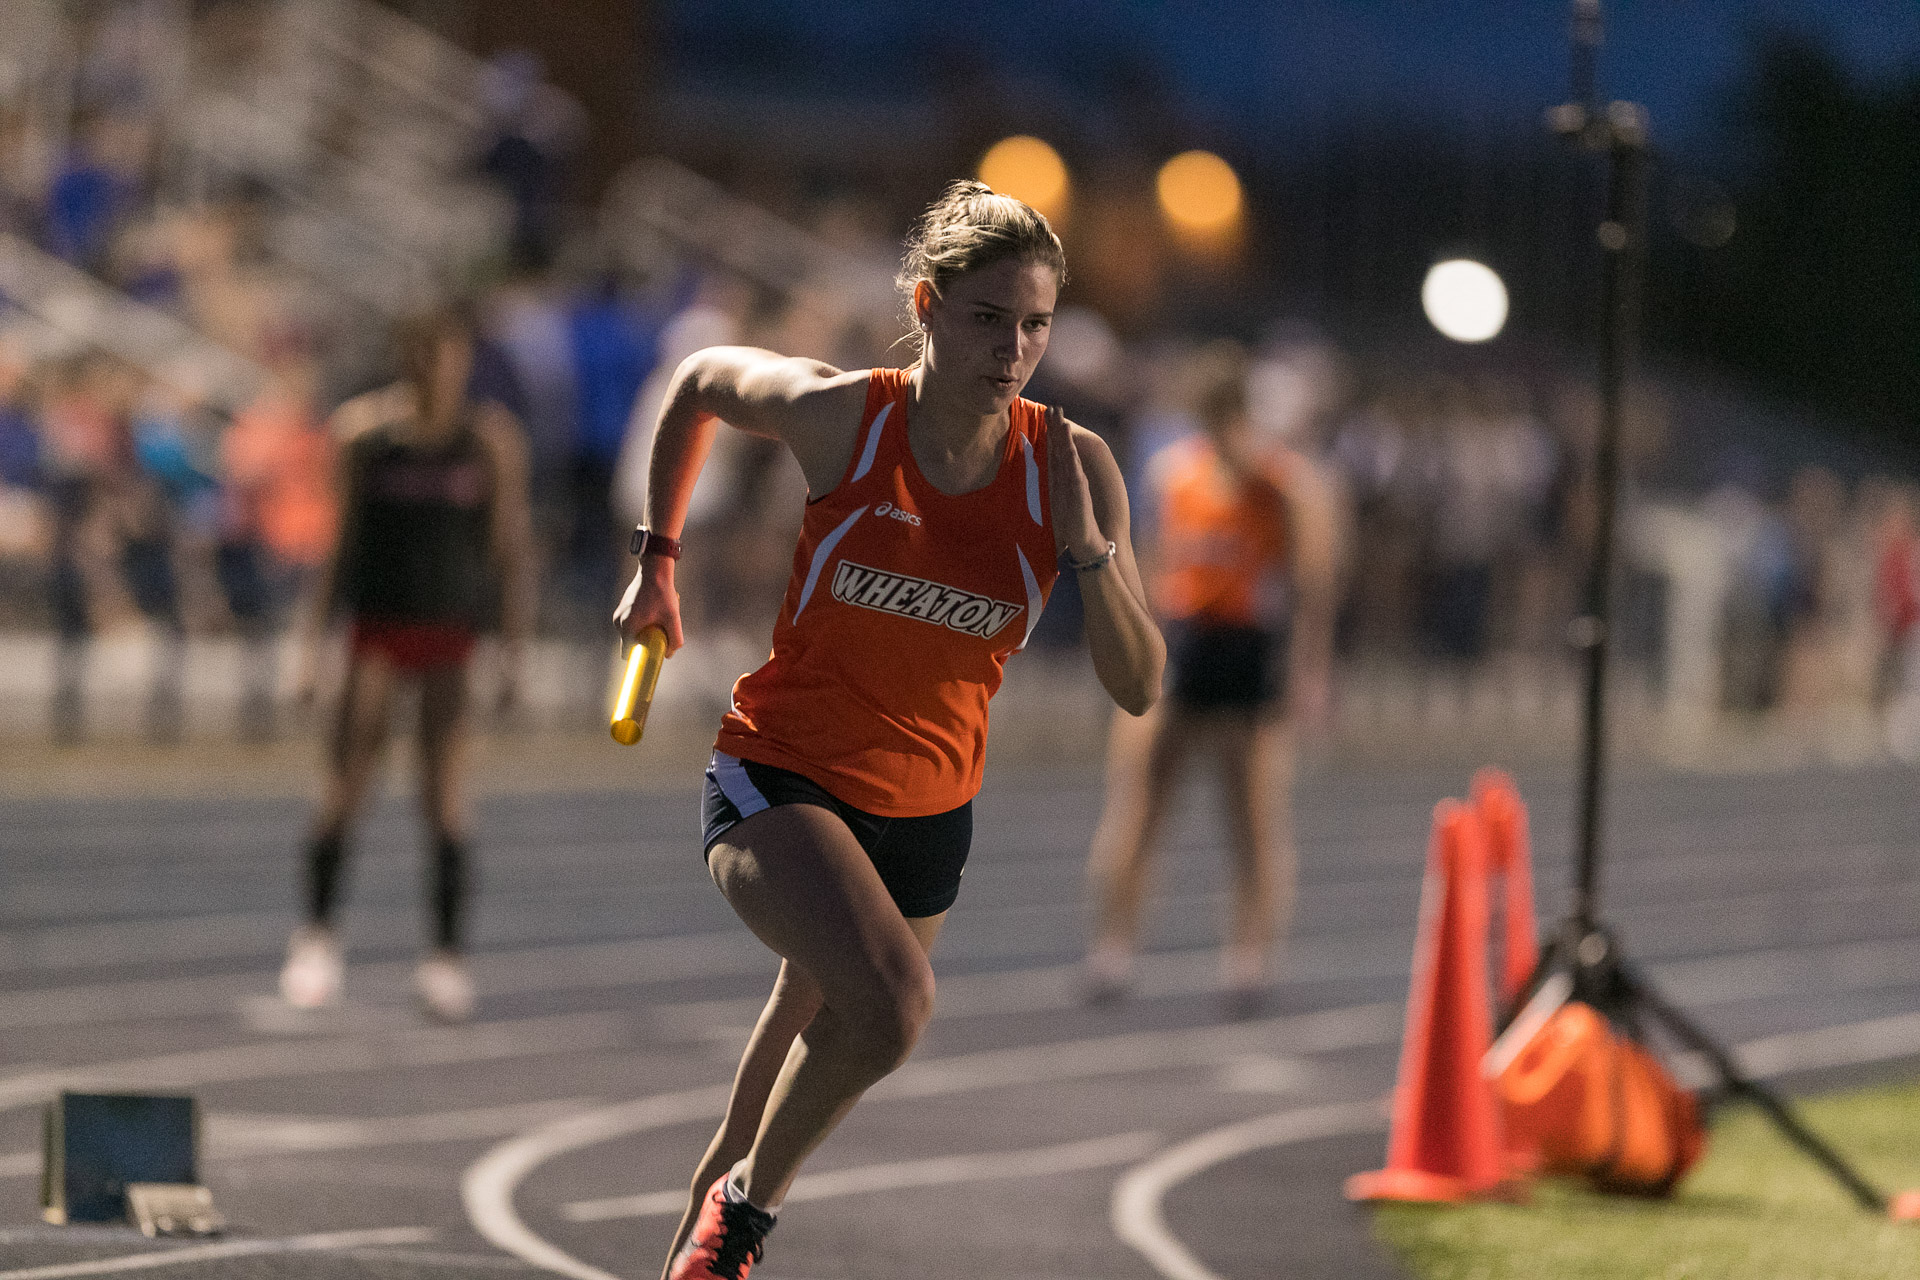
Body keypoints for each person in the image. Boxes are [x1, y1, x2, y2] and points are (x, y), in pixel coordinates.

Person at [613, 180, 1164, 1280]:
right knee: (895, 1007)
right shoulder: (845, 417)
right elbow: (698, 381)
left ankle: (721, 1215)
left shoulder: (1071, 465)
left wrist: (1092, 552)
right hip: (782, 776)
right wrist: (657, 563)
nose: (1014, 349)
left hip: (926, 817)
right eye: (988, 318)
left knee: (763, 1111)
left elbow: (1139, 684)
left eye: (1036, 324)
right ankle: (746, 1215)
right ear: (926, 304)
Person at [277, 305, 535, 1022]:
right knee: (344, 785)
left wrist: (512, 651)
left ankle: (445, 959)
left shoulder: (487, 441)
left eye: (445, 352)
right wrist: (310, 648)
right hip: (377, 628)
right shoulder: (364, 436)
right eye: (420, 352)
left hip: (450, 630)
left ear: (463, 357)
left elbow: (508, 551)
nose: (433, 368)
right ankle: (316, 938)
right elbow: (335, 549)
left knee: (444, 796)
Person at [1082, 341, 1338, 1017]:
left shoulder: (1283, 485)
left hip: (1247, 652)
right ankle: (1114, 946)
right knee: (1140, 802)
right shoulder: (1175, 474)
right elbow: (1151, 567)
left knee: (1251, 816)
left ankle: (1248, 959)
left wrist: (1309, 673)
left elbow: (1313, 583)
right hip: (1184, 643)